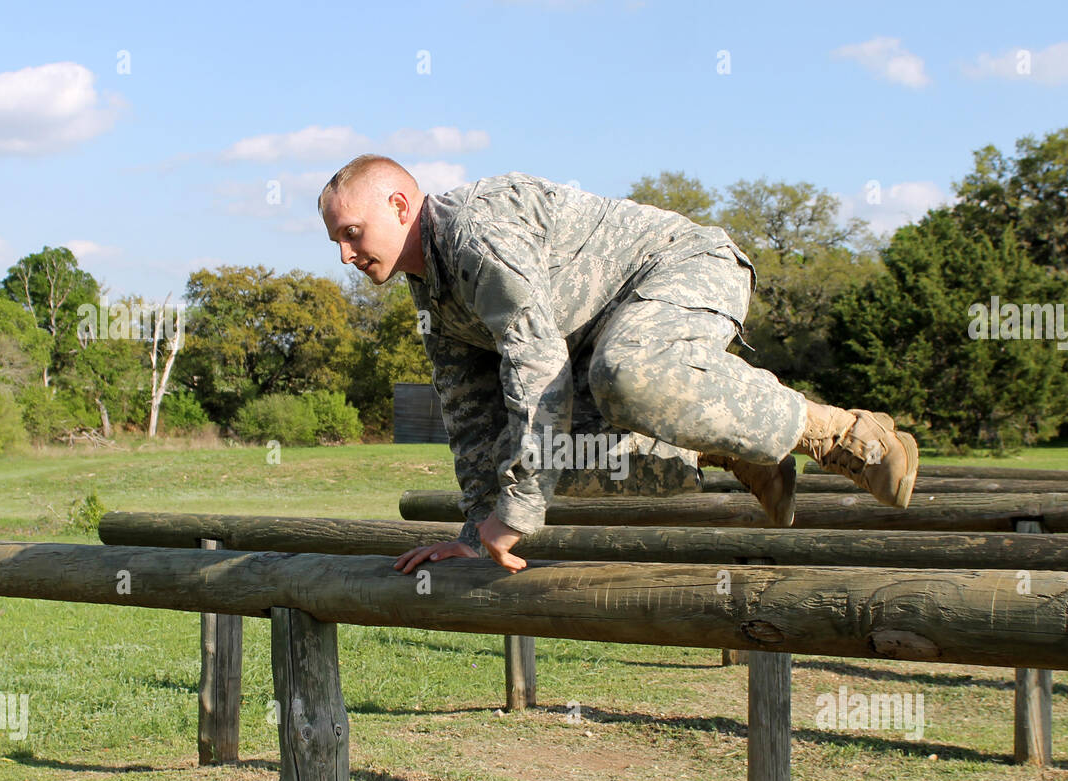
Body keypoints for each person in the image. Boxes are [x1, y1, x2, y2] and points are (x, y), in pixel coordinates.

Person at [317, 154, 919, 575]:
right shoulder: (433, 291)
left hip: (679, 266)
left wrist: (516, 515)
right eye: (336, 243)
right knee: (522, 456)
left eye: (352, 232)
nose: (346, 254)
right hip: (600, 342)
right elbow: (470, 416)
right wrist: (479, 533)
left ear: (399, 205)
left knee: (622, 374)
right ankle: (728, 445)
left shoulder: (479, 235)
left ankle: (844, 433)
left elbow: (536, 366)